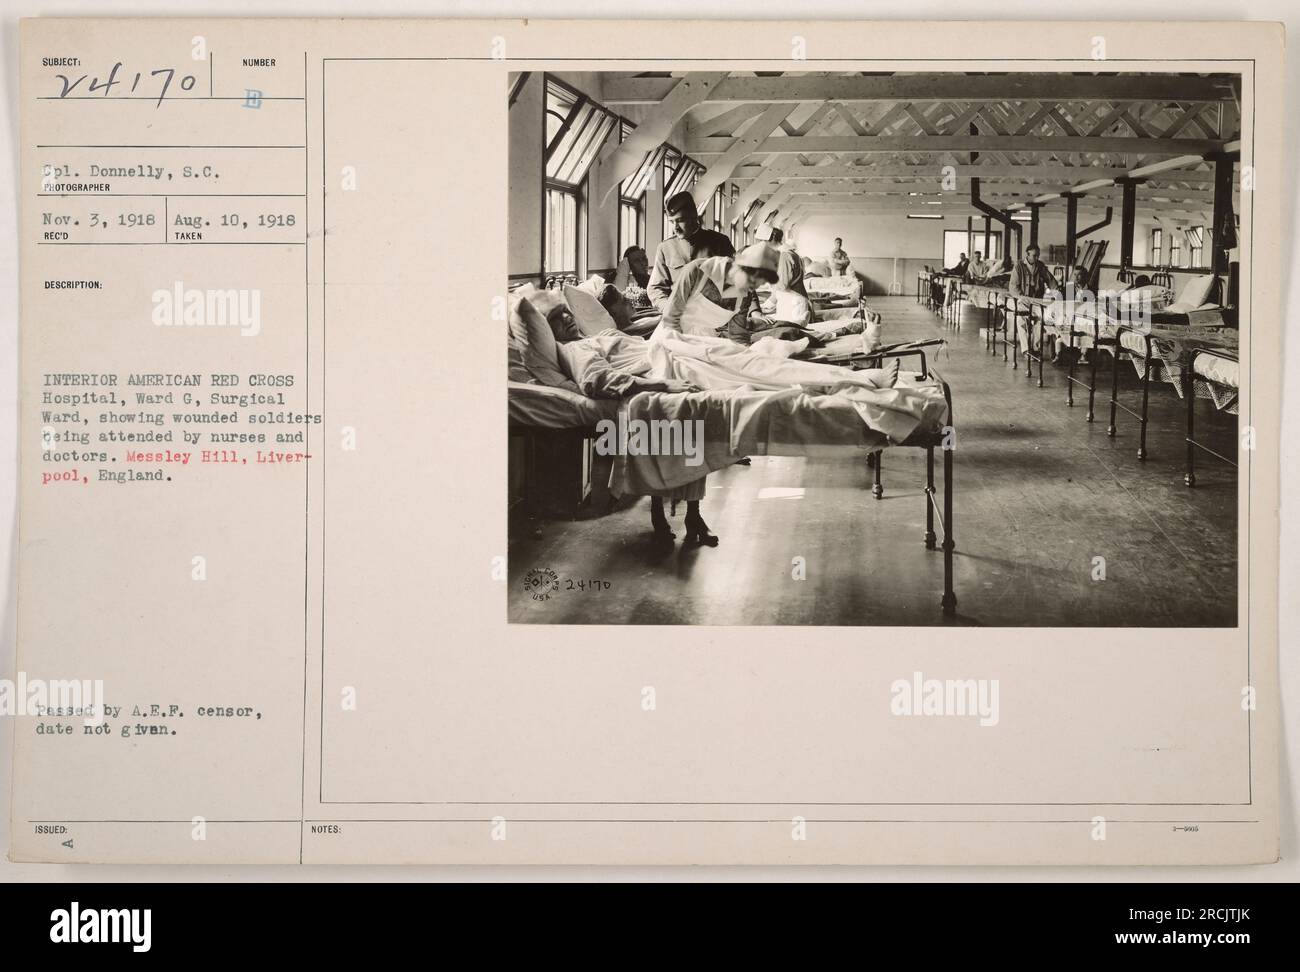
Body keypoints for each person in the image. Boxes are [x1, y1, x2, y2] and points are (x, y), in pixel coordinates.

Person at [543, 305, 714, 545]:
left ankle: (694, 515)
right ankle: (661, 512)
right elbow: (598, 379)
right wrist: (663, 384)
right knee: (676, 411)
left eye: (567, 312)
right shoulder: (573, 348)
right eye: (555, 319)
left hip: (671, 357)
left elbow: (642, 347)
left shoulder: (601, 336)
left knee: (695, 415)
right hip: (656, 375)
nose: (566, 318)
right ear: (548, 331)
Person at [647, 192, 735, 310]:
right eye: (672, 222)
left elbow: (741, 279)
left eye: (680, 220)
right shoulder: (665, 248)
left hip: (713, 315)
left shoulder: (720, 242)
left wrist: (754, 311)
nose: (675, 228)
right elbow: (655, 288)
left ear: (694, 216)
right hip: (678, 316)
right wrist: (667, 307)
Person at [1009, 244, 1061, 354]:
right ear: (1027, 255)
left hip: (1037, 300)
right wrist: (1021, 297)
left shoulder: (1040, 266)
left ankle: (1036, 349)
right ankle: (1026, 350)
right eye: (1034, 255)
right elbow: (1013, 287)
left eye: (1038, 255)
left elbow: (1051, 280)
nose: (1037, 258)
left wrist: (1056, 292)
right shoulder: (1018, 266)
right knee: (1021, 320)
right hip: (1023, 300)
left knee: (1040, 319)